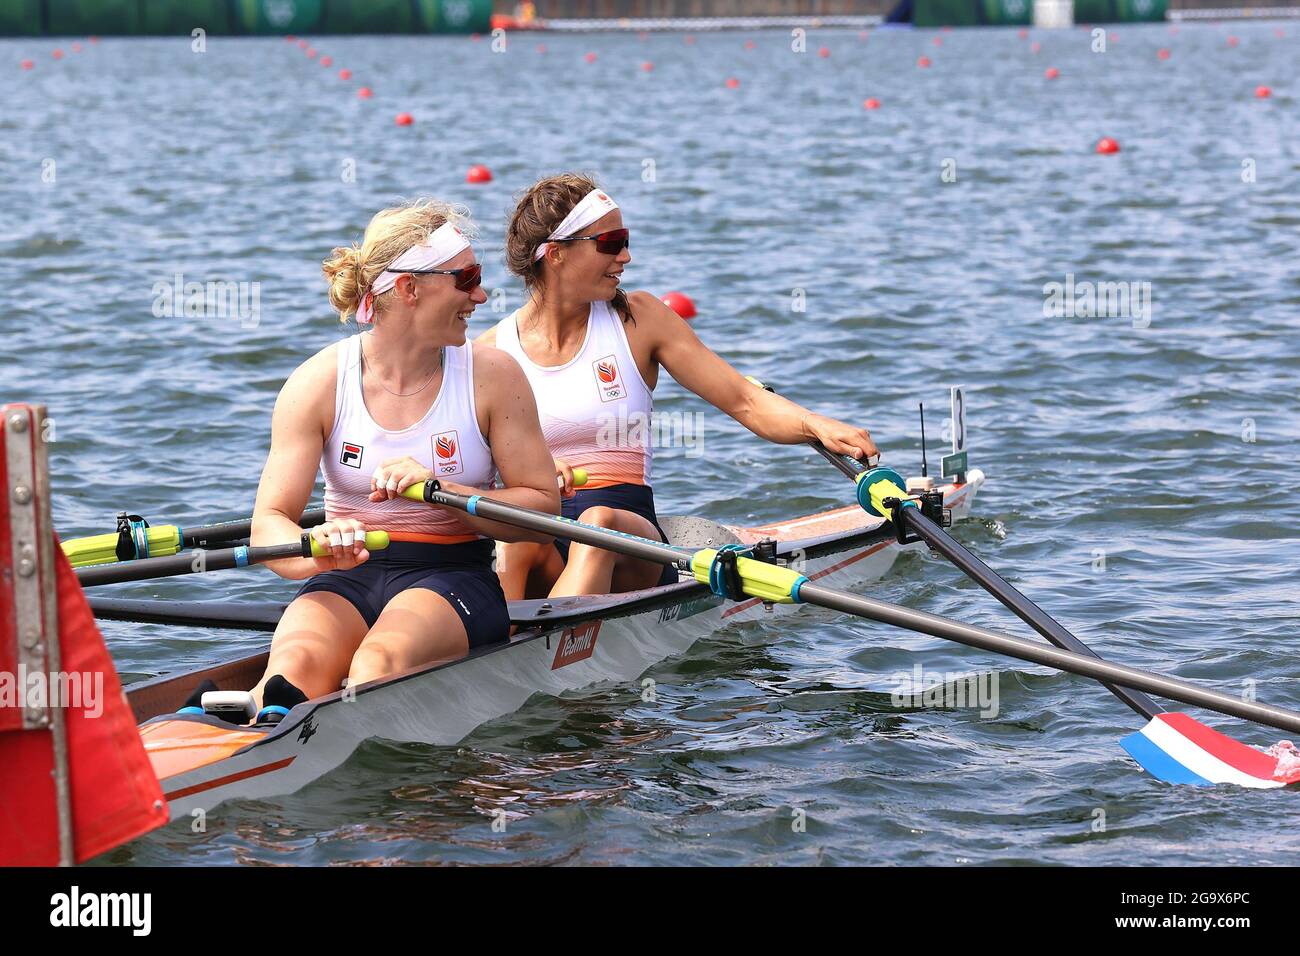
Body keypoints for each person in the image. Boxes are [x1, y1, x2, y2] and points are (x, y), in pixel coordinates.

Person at [201, 199, 560, 724]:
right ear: (411, 288)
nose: (481, 296)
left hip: (454, 576)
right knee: (292, 668)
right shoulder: (318, 381)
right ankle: (252, 736)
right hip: (347, 576)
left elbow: (543, 508)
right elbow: (266, 529)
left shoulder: (492, 375)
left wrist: (444, 490)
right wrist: (314, 551)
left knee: (377, 664)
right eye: (466, 279)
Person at [478, 174, 880, 603]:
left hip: (630, 545)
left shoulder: (638, 321)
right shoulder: (490, 354)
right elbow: (471, 480)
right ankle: (502, 646)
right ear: (556, 254)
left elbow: (744, 400)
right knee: (515, 539)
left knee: (598, 524)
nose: (626, 257)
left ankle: (546, 653)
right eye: (611, 243)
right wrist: (531, 478)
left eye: (625, 239)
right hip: (539, 537)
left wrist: (813, 424)